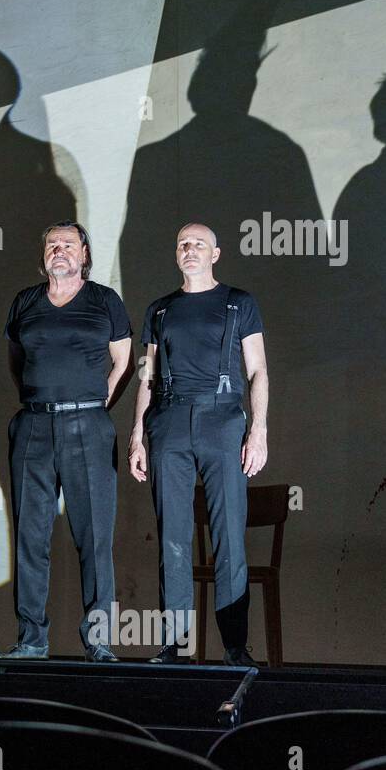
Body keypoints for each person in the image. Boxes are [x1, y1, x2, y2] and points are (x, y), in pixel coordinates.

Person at [129, 223, 269, 666]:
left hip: (221, 419)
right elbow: (147, 376)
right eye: (183, 244)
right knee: (173, 535)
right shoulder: (160, 309)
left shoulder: (239, 302)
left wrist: (259, 430)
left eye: (199, 244)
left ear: (215, 254)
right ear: (176, 254)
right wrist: (136, 435)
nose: (190, 250)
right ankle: (174, 645)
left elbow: (258, 371)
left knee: (229, 534)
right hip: (169, 421)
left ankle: (234, 648)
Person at [0, 222, 131, 661]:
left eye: (68, 244)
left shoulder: (104, 300)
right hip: (33, 426)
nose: (59, 249)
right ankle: (31, 639)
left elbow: (123, 362)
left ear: (84, 254)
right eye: (52, 244)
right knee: (30, 536)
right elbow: (15, 361)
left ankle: (99, 641)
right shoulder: (26, 301)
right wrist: (39, 400)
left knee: (94, 537)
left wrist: (95, 404)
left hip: (88, 425)